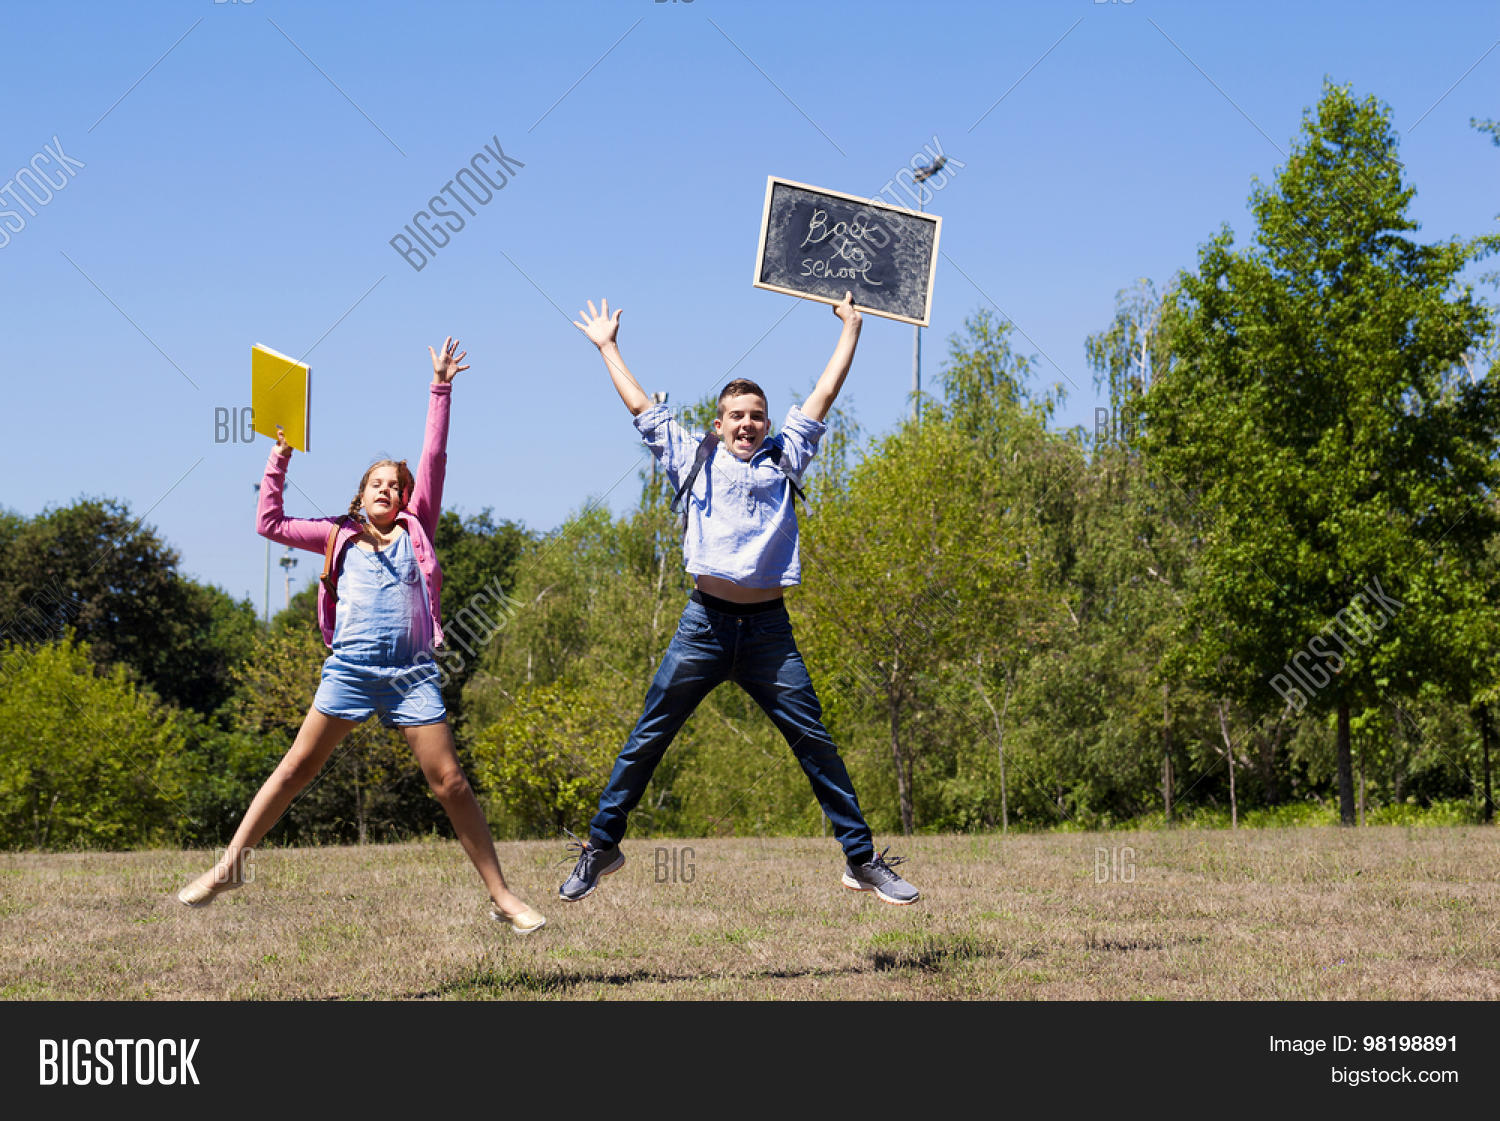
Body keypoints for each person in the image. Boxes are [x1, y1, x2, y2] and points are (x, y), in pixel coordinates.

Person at [176, 338, 545, 934]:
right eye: (378, 482)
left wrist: (440, 387)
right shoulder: (334, 534)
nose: (389, 489)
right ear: (360, 491)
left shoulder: (416, 528)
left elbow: (434, 456)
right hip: (348, 669)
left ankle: (501, 896)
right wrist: (280, 456)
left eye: (396, 485)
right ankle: (228, 866)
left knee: (450, 782)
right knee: (296, 768)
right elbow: (267, 522)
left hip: (411, 673)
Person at [562, 294, 919, 906]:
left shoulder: (787, 457)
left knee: (816, 746)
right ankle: (602, 846)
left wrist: (851, 329)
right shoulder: (691, 455)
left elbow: (825, 395)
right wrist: (607, 346)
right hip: (702, 626)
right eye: (737, 415)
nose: (748, 423)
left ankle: (861, 860)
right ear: (718, 423)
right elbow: (641, 407)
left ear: (767, 420)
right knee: (649, 736)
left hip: (767, 635)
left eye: (757, 414)